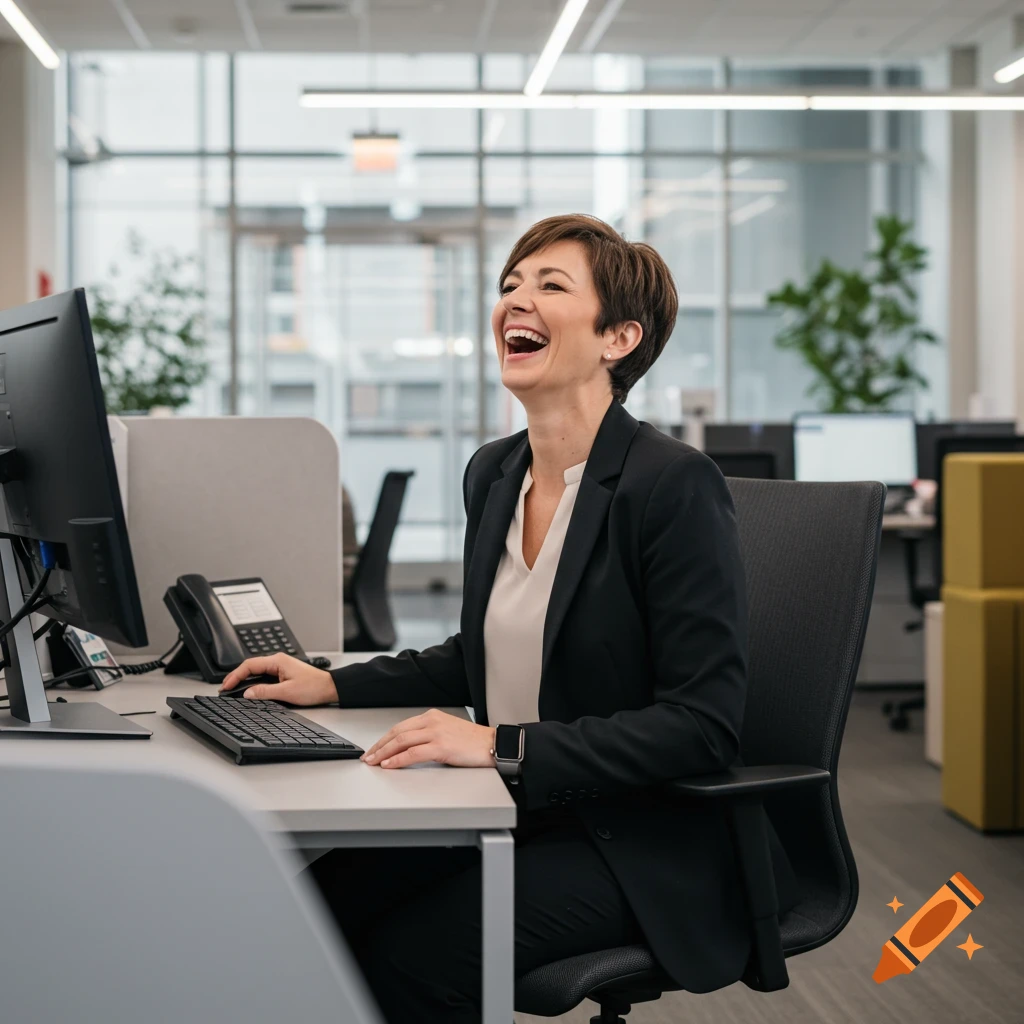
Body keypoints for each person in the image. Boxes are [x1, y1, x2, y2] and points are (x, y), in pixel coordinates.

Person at [220, 214, 797, 1022]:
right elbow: (480, 656)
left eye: (550, 286)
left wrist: (499, 745)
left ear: (618, 338)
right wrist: (330, 685)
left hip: (638, 836)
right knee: (307, 909)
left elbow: (701, 728)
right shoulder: (495, 474)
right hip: (515, 807)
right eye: (509, 286)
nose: (515, 301)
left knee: (407, 965)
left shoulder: (672, 487)